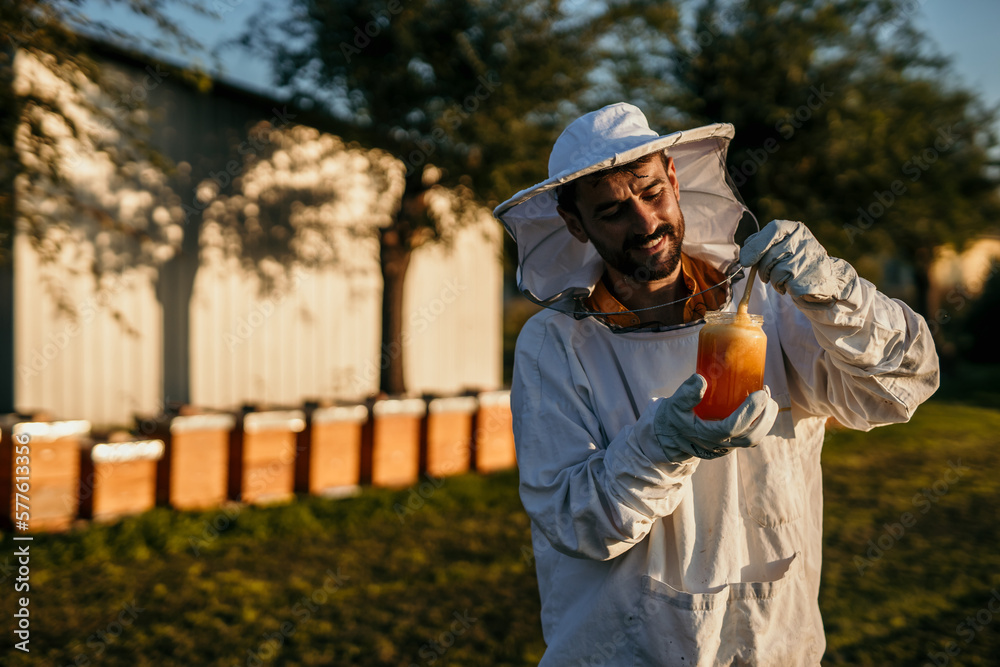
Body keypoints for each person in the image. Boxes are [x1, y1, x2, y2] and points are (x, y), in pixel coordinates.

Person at [493, 103, 940, 666]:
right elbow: (575, 521)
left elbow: (900, 385)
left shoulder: (772, 307)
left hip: (772, 640)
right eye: (610, 211)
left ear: (674, 179)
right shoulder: (555, 344)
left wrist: (834, 292)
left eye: (651, 192)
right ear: (576, 224)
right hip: (623, 648)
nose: (645, 223)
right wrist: (662, 444)